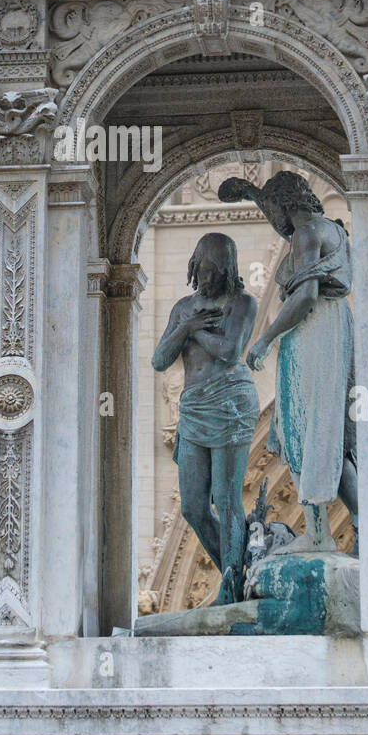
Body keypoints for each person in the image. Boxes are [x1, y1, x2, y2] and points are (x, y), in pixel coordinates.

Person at [218, 171, 359, 556]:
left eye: (272, 210)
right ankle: (364, 522)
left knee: (303, 426)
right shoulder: (332, 230)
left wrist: (264, 339)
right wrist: (250, 192)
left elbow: (304, 296)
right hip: (335, 328)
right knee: (333, 432)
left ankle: (317, 533)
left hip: (311, 332)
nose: (273, 221)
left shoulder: (306, 234)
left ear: (283, 205)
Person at [152, 232, 258, 604]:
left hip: (231, 404)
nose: (209, 276)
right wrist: (187, 327)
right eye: (204, 268)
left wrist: (195, 334)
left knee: (227, 500)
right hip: (194, 408)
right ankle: (242, 571)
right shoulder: (184, 308)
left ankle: (232, 587)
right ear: (194, 267)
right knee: (194, 506)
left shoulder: (242, 303)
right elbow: (159, 360)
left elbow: (230, 353)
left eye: (216, 269)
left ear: (228, 269)